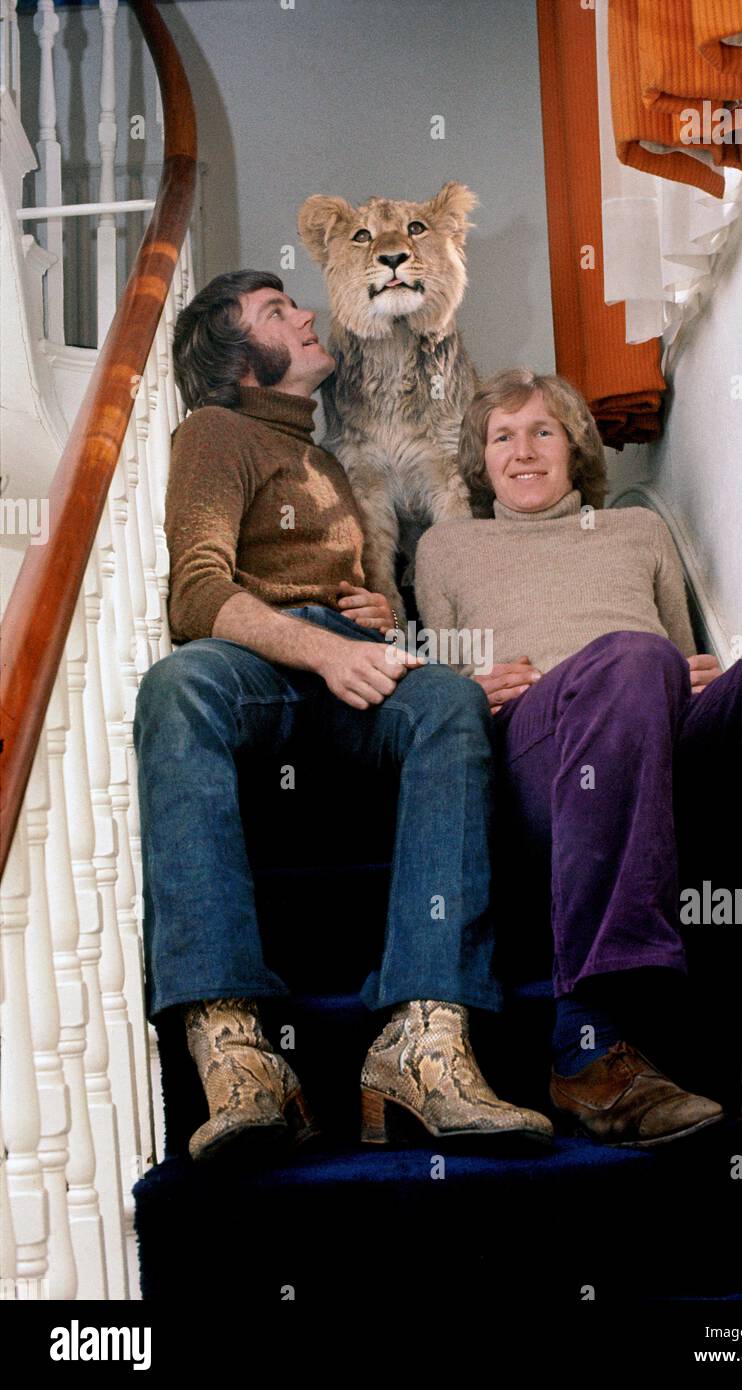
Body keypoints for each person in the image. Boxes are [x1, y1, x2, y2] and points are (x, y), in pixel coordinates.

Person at [132, 274, 553, 1168]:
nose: (308, 315)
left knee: (445, 699)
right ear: (242, 362)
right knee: (176, 688)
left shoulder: (324, 458)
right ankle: (236, 1050)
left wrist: (371, 615)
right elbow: (200, 591)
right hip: (262, 665)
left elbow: (355, 605)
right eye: (279, 313)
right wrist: (322, 648)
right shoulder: (214, 432)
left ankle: (424, 1040)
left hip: (343, 662)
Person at [414, 367, 742, 1148]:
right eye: (501, 437)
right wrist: (463, 685)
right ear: (478, 459)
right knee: (630, 658)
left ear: (575, 448)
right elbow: (439, 686)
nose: (522, 451)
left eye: (542, 432)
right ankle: (592, 1037)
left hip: (651, 717)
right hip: (538, 743)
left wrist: (699, 673)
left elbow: (679, 651)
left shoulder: (638, 529)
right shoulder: (447, 545)